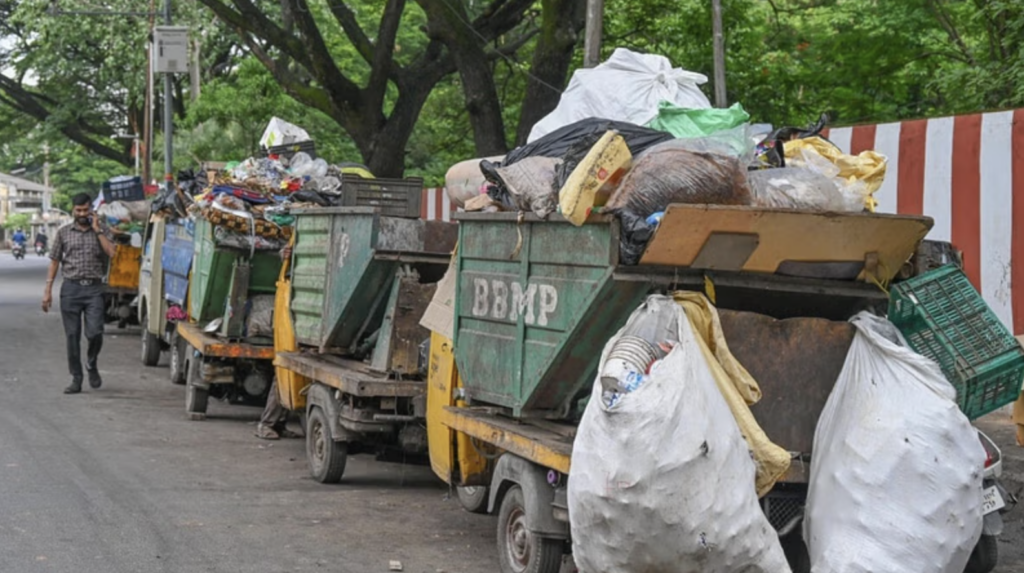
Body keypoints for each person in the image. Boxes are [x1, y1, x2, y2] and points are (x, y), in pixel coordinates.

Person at [42, 193, 117, 394]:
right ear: (73, 210)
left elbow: (111, 252)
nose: (82, 214)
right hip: (71, 289)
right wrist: (47, 291)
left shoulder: (102, 230)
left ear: (91, 209)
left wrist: (98, 230)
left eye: (86, 210)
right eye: (79, 210)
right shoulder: (64, 233)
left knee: (95, 333)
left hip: (94, 289)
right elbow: (54, 261)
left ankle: (91, 363)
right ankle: (76, 377)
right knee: (72, 335)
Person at [256, 242, 300, 440]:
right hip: (288, 317)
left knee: (292, 374)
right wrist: (285, 254)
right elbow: (286, 252)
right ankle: (267, 424)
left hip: (297, 316)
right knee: (283, 371)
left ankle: (279, 423)